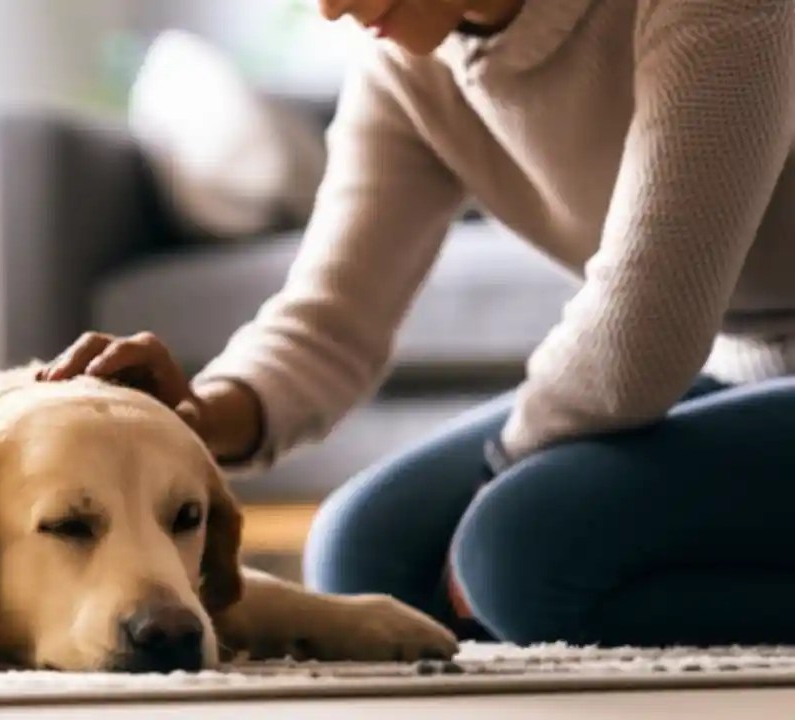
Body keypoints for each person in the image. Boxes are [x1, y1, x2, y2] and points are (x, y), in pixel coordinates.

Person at [39, 0, 795, 647]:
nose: (330, 7)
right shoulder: (409, 62)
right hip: (741, 365)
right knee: (362, 555)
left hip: (696, 358)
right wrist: (191, 420)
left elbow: (642, 332)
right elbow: (329, 321)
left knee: (517, 552)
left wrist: (501, 477)